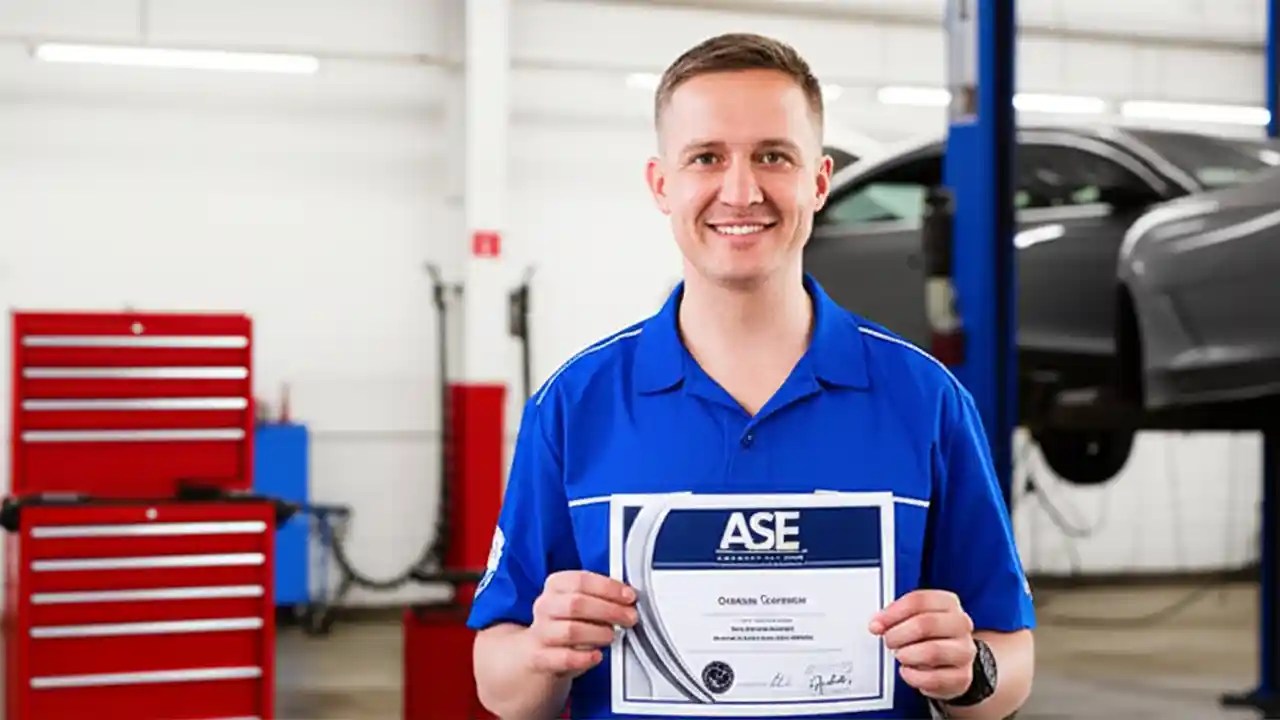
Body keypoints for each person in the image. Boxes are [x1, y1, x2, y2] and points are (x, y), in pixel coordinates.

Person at [468, 32, 1036, 719]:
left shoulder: (926, 400)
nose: (741, 191)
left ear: (819, 181)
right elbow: (500, 684)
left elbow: (1009, 657)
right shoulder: (575, 404)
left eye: (773, 156)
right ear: (662, 184)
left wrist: (970, 670)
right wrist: (539, 652)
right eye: (706, 157)